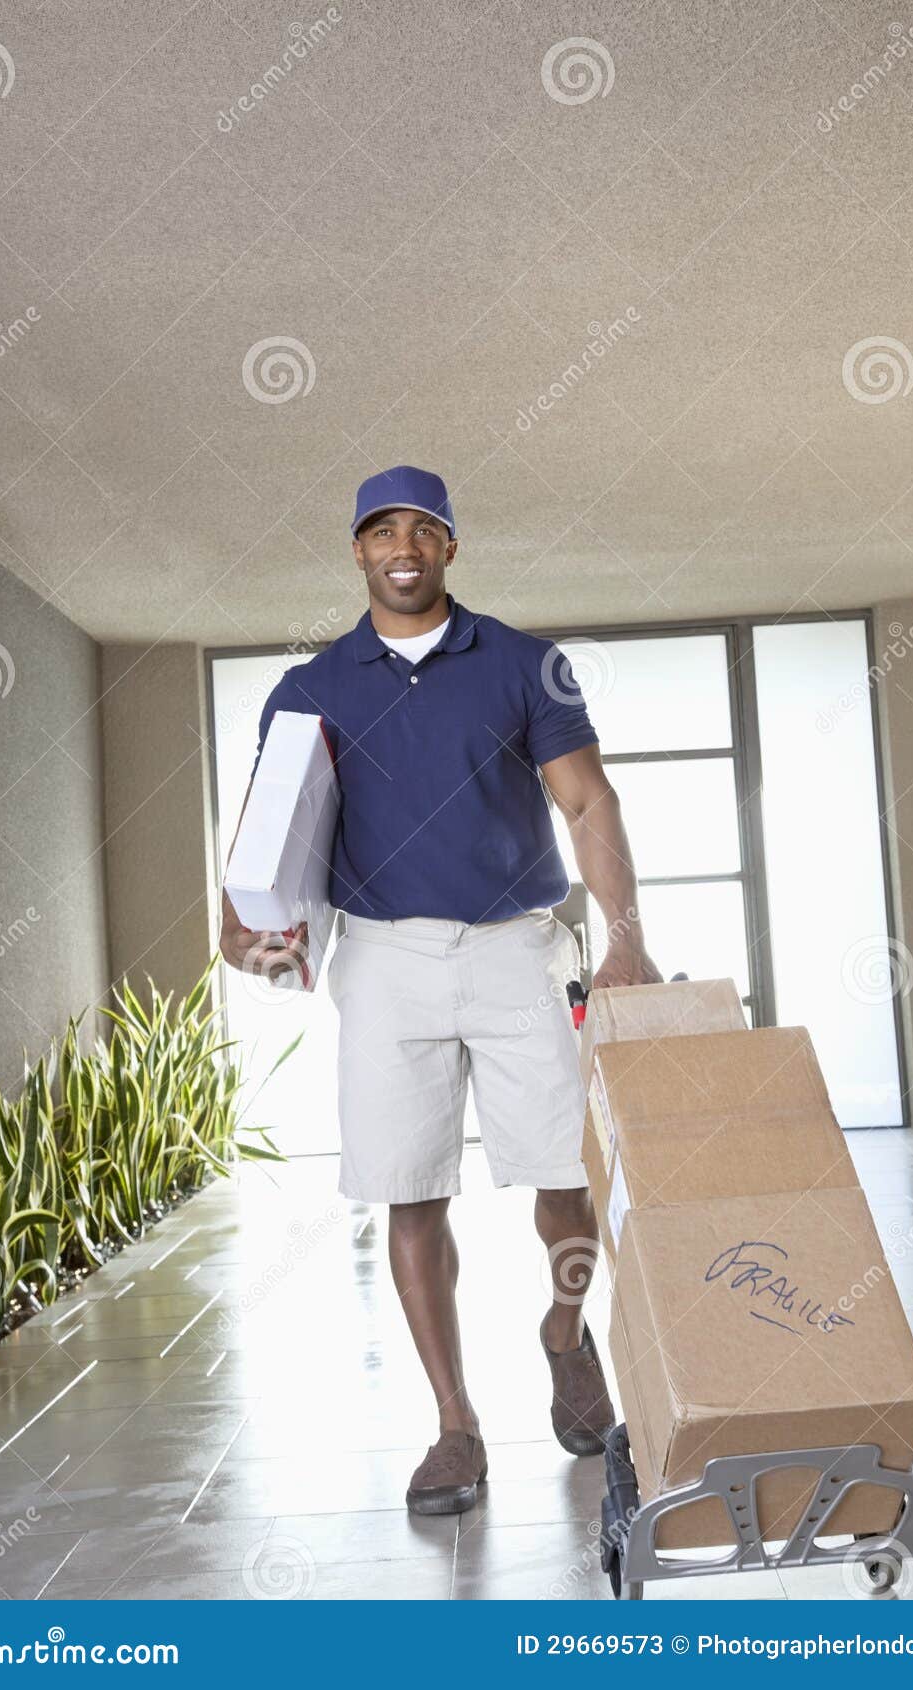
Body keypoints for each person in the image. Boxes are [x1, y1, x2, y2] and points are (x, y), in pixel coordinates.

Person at [219, 464, 661, 1516]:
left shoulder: (521, 662)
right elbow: (267, 840)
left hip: (515, 945)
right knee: (407, 1187)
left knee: (566, 1172)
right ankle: (454, 1425)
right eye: (381, 530)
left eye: (423, 528)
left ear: (451, 546)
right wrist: (247, 935)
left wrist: (626, 937)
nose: (402, 545)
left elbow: (585, 796)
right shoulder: (308, 688)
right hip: (382, 961)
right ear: (358, 551)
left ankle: (563, 1334)